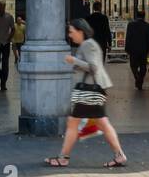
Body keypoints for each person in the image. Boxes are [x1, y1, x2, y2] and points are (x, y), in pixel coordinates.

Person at [47, 18, 128, 168]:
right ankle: (119, 155)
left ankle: (63, 158)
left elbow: (93, 67)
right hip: (94, 91)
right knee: (102, 123)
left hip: (90, 91)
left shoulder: (87, 45)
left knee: (74, 122)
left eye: (71, 32)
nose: (70, 35)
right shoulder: (88, 44)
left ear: (80, 31)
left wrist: (74, 61)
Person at [124, 10, 149, 90]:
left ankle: (137, 78)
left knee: (133, 66)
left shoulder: (131, 25)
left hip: (133, 50)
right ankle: (140, 80)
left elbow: (128, 37)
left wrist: (127, 48)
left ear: (136, 16)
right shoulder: (147, 26)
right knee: (143, 66)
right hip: (143, 50)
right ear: (144, 16)